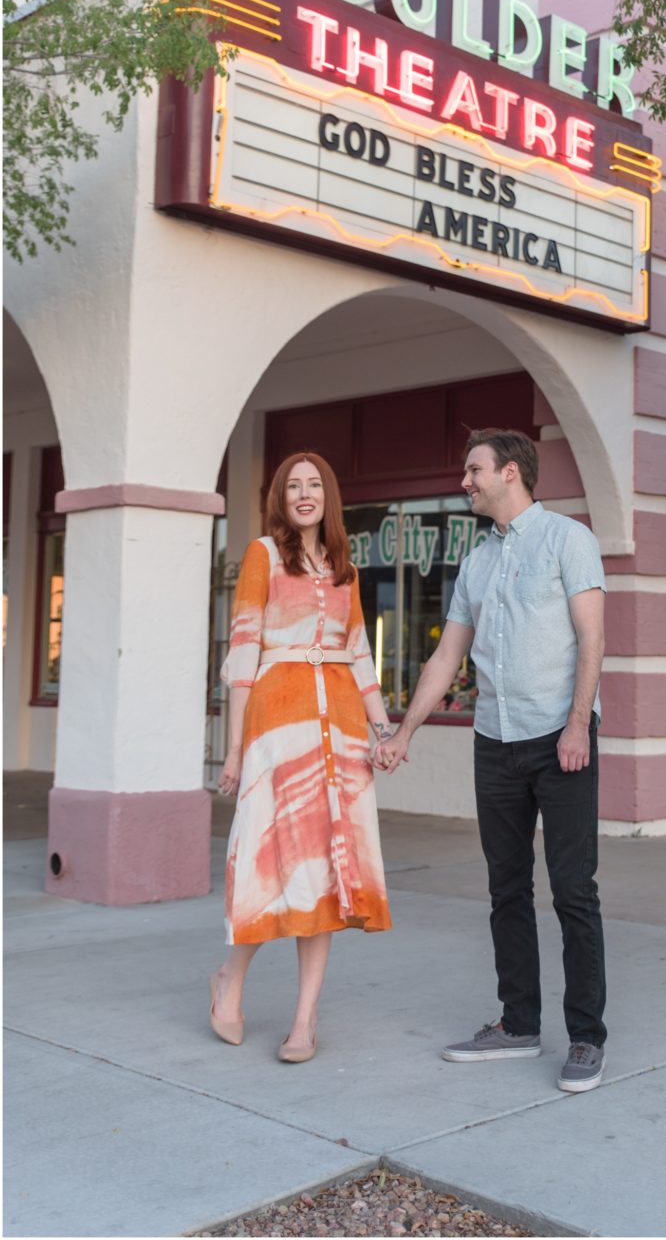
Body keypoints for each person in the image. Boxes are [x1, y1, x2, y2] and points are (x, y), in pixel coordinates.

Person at [376, 428, 607, 1093]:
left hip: (559, 740)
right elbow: (448, 657)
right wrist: (404, 733)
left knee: (573, 890)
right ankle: (518, 1023)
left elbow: (592, 639)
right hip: (494, 742)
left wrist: (576, 727)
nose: (464, 481)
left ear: (510, 472)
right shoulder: (476, 563)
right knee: (506, 890)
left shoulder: (569, 540)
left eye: (473, 470)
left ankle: (587, 1037)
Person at [209, 452, 391, 1062]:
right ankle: (230, 979)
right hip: (276, 727)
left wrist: (384, 727)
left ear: (329, 495)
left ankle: (304, 1019)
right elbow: (242, 654)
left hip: (340, 731)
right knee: (272, 865)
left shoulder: (345, 566)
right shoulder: (263, 554)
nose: (305, 493)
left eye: (315, 484)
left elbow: (360, 654)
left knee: (326, 876)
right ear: (280, 497)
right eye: (294, 485)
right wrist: (234, 750)